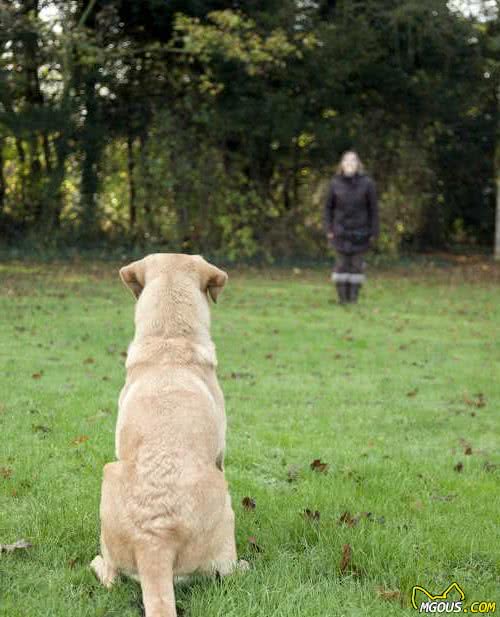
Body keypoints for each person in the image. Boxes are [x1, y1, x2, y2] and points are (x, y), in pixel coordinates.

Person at [324, 151, 379, 304]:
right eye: (346, 161)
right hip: (339, 231)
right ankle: (342, 298)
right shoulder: (334, 183)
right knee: (341, 265)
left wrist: (374, 231)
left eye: (353, 161)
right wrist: (329, 229)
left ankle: (353, 299)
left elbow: (373, 209)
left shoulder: (367, 184)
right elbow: (328, 208)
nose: (349, 164)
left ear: (358, 164)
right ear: (342, 165)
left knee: (356, 266)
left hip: (361, 231)